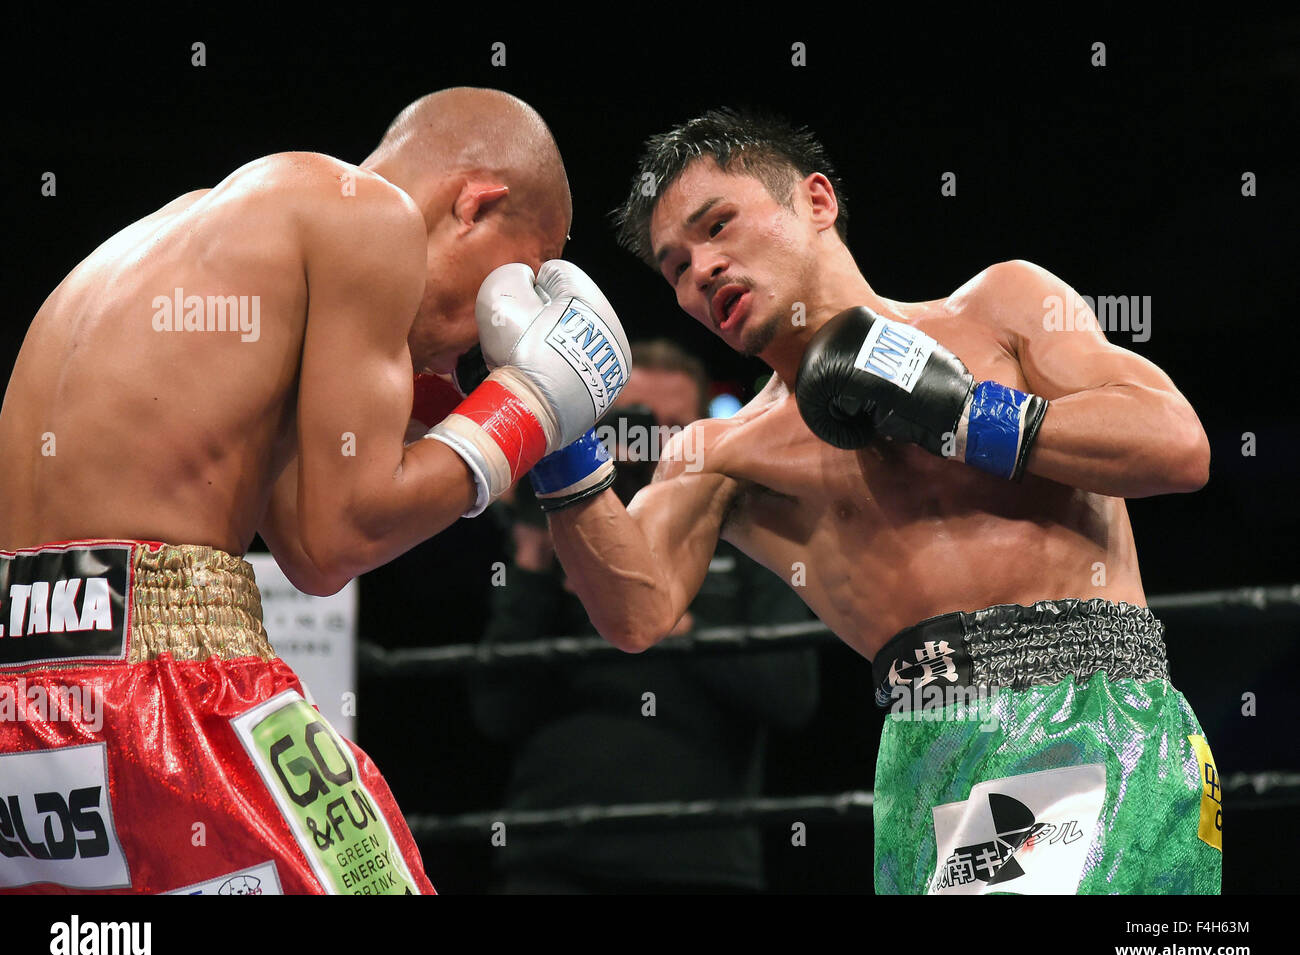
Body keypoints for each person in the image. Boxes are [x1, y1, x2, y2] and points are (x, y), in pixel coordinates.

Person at [528, 109, 1221, 894]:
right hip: (918, 756)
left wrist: (963, 416)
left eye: (718, 225)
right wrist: (554, 431)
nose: (703, 271)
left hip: (1085, 717)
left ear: (816, 202)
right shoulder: (720, 452)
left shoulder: (997, 308)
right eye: (677, 266)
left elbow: (1176, 445)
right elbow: (635, 611)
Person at [0, 87, 631, 894]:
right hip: (161, 689)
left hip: (31, 700)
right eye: (517, 279)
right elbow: (346, 534)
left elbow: (307, 553)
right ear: (477, 205)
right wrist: (536, 403)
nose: (489, 334)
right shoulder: (371, 215)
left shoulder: (197, 233)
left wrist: (442, 407)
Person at [471, 340, 818, 893]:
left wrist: (658, 614)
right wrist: (535, 554)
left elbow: (791, 693)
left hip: (701, 863)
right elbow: (496, 709)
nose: (649, 443)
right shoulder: (558, 532)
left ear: (703, 435)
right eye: (633, 423)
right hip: (554, 858)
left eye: (673, 427)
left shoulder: (748, 534)